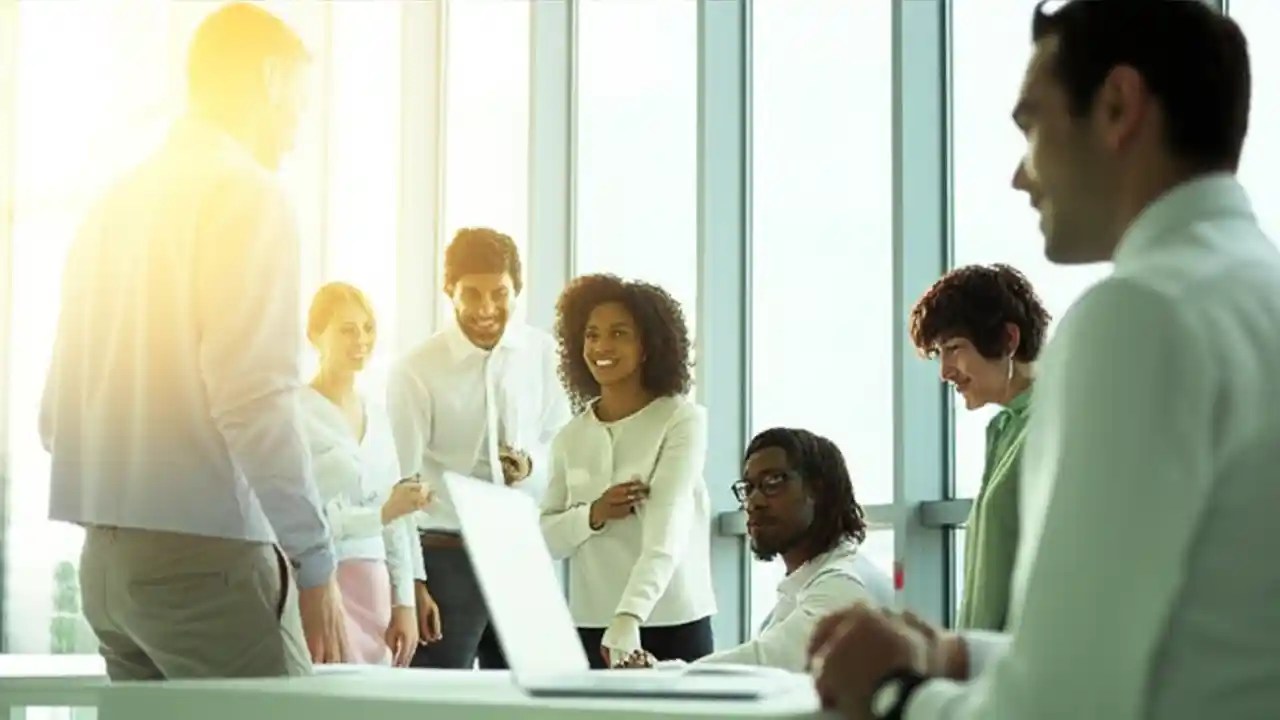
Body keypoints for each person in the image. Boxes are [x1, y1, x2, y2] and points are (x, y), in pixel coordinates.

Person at [809, 2, 1280, 719]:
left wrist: (893, 696)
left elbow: (1062, 707)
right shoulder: (1253, 294)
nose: (1020, 177)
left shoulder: (1139, 316)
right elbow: (1197, 651)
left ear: (1118, 107)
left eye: (1031, 125)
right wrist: (954, 657)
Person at [38, 3, 346, 679]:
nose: (298, 128)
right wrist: (316, 560)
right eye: (299, 100)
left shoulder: (110, 203)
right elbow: (255, 400)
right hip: (207, 568)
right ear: (269, 79)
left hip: (106, 572)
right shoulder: (248, 194)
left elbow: (53, 419)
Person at [386, 227, 571, 669]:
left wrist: (530, 467)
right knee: (436, 701)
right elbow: (400, 487)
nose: (486, 308)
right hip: (447, 556)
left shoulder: (544, 355)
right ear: (450, 290)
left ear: (517, 290)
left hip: (521, 552)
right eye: (471, 293)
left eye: (499, 293)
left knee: (530, 697)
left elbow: (562, 451)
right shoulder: (415, 370)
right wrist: (411, 583)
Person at [540, 274, 716, 669]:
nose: (602, 346)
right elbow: (547, 538)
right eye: (592, 334)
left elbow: (667, 530)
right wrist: (593, 514)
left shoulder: (680, 420)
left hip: (671, 619)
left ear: (648, 345)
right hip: (593, 623)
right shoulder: (570, 437)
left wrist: (630, 615)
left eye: (619, 333)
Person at [908, 264, 1050, 631]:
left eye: (954, 348)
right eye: (940, 352)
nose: (945, 371)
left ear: (1007, 340)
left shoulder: (1053, 424)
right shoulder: (1005, 428)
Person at [300, 283, 431, 666]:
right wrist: (381, 514)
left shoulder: (378, 415)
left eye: (368, 327)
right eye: (346, 329)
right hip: (324, 583)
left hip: (376, 591)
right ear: (315, 335)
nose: (361, 339)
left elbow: (398, 516)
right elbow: (302, 518)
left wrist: (403, 601)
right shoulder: (295, 413)